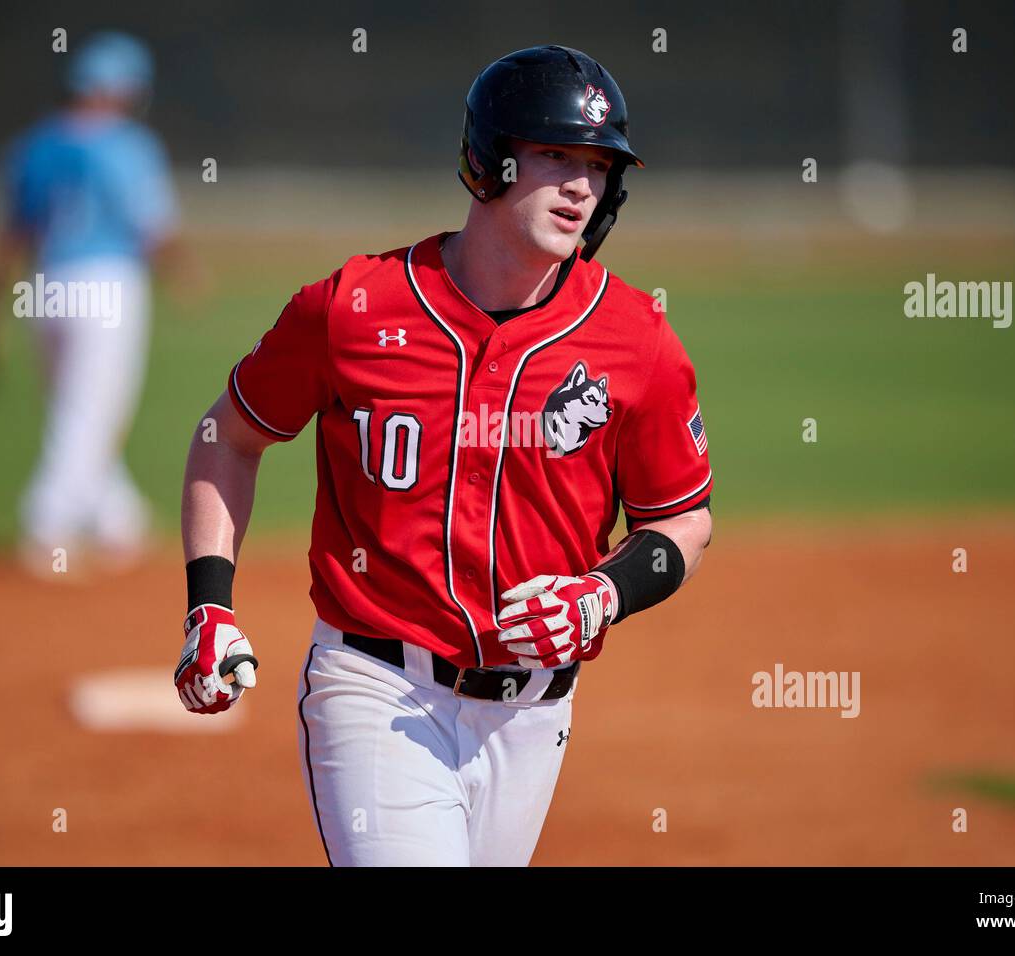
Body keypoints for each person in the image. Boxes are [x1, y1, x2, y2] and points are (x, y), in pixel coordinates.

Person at [175, 45, 714, 866]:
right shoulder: (355, 308)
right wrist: (209, 605)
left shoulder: (636, 337)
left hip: (535, 715)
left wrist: (603, 596)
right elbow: (229, 437)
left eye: (600, 167)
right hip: (375, 689)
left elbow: (682, 520)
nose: (582, 186)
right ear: (491, 158)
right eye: (557, 155)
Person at [0, 31, 187, 572]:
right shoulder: (129, 145)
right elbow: (155, 227)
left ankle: (115, 518)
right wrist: (184, 272)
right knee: (91, 411)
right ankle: (48, 524)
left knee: (75, 408)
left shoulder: (36, 145)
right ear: (120, 90)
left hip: (47, 283)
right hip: (109, 283)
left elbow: (10, 236)